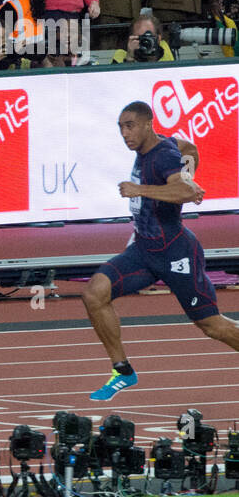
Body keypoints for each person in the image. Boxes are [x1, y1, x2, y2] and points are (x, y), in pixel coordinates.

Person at [84, 102, 239, 401]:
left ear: (147, 124)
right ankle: (123, 371)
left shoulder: (163, 156)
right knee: (94, 293)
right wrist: (191, 174)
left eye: (130, 126)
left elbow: (184, 192)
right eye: (120, 127)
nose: (124, 134)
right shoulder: (166, 145)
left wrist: (142, 189)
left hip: (176, 253)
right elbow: (190, 147)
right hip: (144, 250)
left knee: (213, 326)